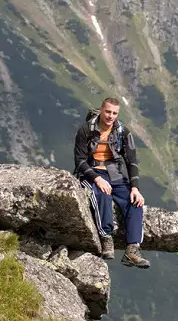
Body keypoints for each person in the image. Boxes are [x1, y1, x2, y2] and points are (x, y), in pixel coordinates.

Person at [73, 96, 151, 269]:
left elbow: (131, 161)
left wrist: (135, 188)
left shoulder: (123, 132)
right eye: (107, 111)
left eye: (114, 113)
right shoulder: (86, 130)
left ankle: (132, 250)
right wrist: (97, 178)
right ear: (101, 110)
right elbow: (79, 161)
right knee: (102, 194)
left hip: (115, 174)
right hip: (91, 172)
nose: (110, 116)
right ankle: (106, 238)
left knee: (135, 202)